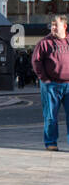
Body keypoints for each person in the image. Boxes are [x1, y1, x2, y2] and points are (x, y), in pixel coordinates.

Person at [32, 14, 69, 150]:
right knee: (50, 116)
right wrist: (44, 79)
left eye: (56, 25)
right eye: (51, 25)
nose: (53, 28)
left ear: (64, 26)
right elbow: (36, 62)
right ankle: (51, 143)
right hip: (51, 85)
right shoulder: (44, 42)